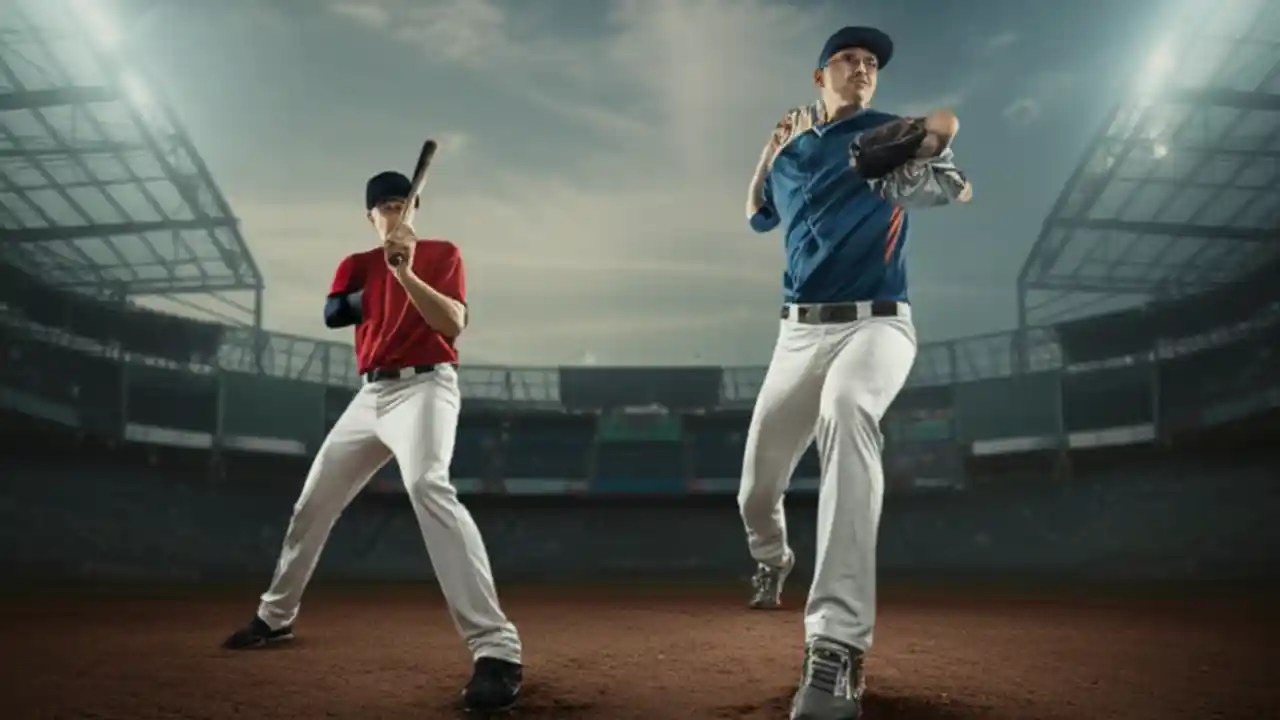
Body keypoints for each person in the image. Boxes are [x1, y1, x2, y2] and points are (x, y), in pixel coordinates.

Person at [221, 170, 524, 714]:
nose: (395, 212)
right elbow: (334, 313)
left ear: (416, 210)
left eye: (403, 203)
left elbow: (452, 323)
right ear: (370, 216)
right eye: (385, 205)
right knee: (312, 503)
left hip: (427, 386)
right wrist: (383, 275)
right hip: (370, 397)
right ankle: (276, 616)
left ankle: (497, 650)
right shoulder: (356, 264)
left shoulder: (441, 253)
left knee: (428, 485)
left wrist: (406, 274)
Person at [737, 25, 973, 720]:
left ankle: (836, 646)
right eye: (848, 58)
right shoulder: (794, 149)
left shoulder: (887, 131)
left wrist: (918, 148)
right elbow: (756, 213)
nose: (863, 67)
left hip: (878, 324)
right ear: (820, 77)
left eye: (872, 61)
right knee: (756, 490)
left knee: (846, 412)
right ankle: (772, 557)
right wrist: (766, 151)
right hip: (796, 337)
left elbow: (951, 175)